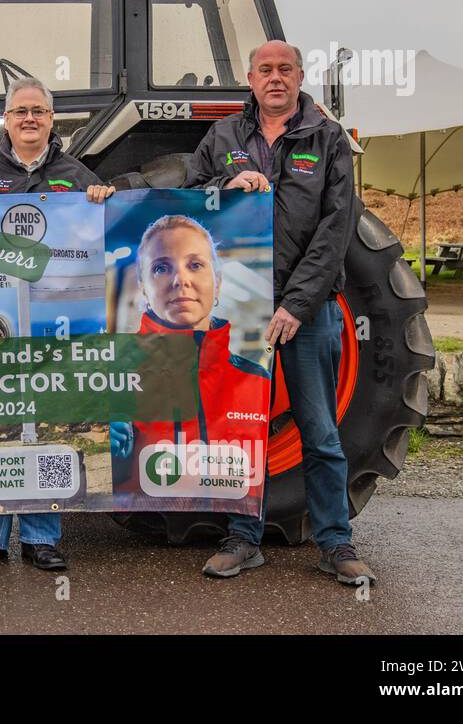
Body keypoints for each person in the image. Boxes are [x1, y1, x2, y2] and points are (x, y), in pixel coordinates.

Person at [184, 40, 374, 586]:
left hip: (305, 311)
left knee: (319, 429)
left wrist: (297, 303)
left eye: (284, 69)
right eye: (264, 70)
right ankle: (243, 538)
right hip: (240, 308)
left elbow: (335, 229)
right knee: (241, 428)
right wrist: (225, 185)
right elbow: (189, 197)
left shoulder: (327, 138)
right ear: (249, 78)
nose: (275, 78)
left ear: (299, 76)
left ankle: (335, 542)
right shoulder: (222, 137)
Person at [0, 77, 115, 571]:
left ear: (50, 119)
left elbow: (100, 231)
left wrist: (104, 196)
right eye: (20, 111)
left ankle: (42, 537)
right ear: (7, 117)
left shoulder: (75, 172)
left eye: (38, 112)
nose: (29, 119)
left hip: (51, 316)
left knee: (45, 417)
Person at [108, 215, 270, 519]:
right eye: (161, 268)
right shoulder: (112, 377)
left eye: (195, 265)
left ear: (217, 283)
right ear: (143, 288)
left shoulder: (256, 381)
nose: (180, 279)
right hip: (146, 532)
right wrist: (107, 456)